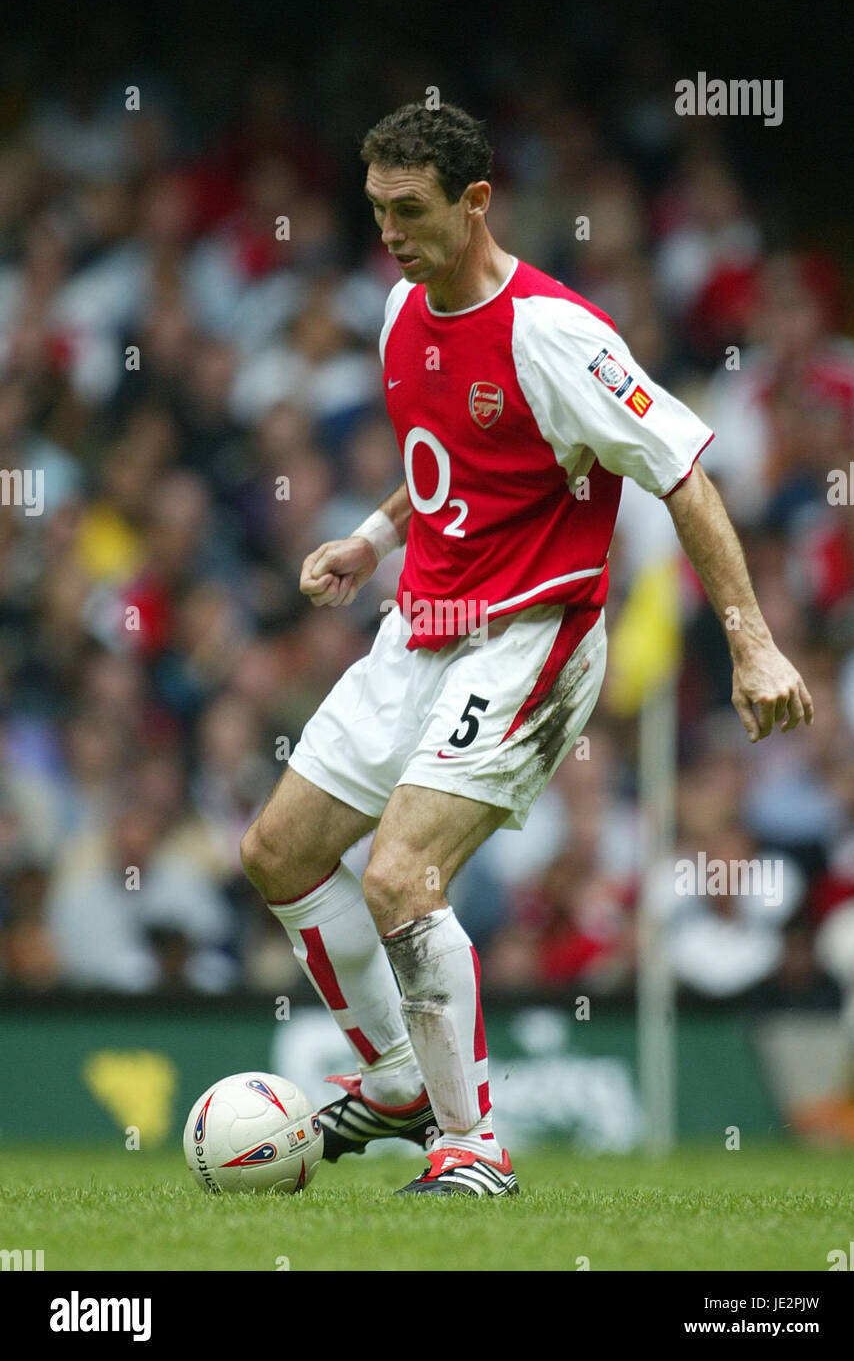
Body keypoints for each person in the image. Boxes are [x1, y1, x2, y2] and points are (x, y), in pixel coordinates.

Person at [240, 103, 814, 1197]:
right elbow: (447, 459)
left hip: (528, 639)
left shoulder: (555, 333)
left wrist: (751, 645)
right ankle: (398, 1081)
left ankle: (472, 1147)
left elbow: (681, 469)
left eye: (409, 212)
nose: (390, 236)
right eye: (374, 212)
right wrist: (371, 538)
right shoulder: (401, 311)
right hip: (416, 628)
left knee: (401, 874)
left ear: (475, 201)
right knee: (276, 854)